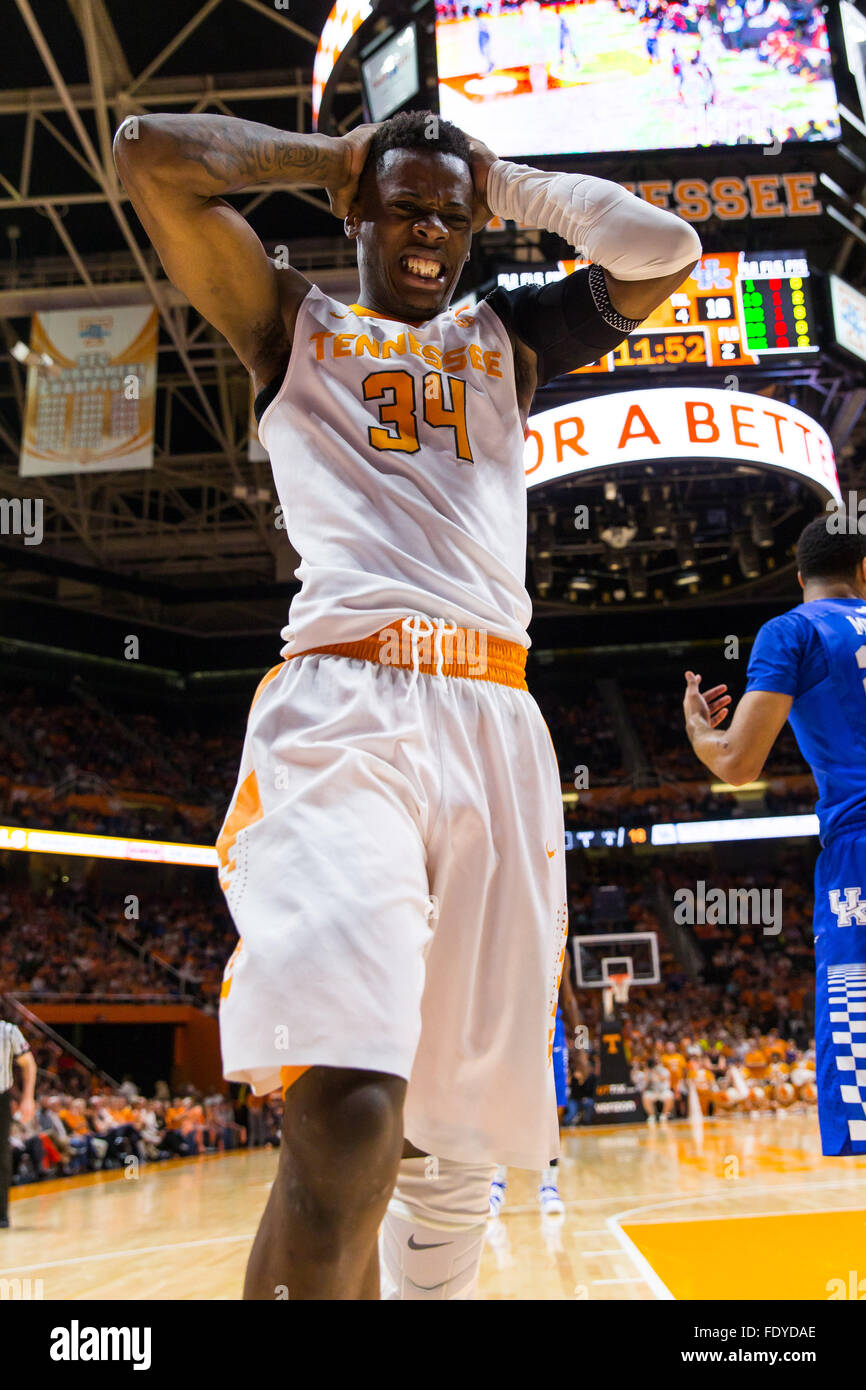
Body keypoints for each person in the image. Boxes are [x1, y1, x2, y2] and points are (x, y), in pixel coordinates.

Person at [115, 104, 699, 1301]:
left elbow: (662, 248)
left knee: (448, 1138)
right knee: (349, 1107)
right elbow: (145, 156)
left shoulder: (513, 337)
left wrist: (506, 182)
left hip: (493, 720)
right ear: (359, 216)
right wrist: (335, 160)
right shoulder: (290, 323)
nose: (428, 231)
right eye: (403, 207)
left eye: (449, 213)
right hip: (349, 711)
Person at [683, 513, 866, 1156]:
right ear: (865, 573)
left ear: (799, 578)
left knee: (859, 1044)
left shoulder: (792, 630)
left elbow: (738, 764)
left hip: (860, 850)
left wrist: (699, 729)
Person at [0, 1011, 36, 1227]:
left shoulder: (8, 1030)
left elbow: (28, 1063)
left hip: (0, 1097)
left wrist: (28, 1098)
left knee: (1, 1155)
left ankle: (1, 1213)